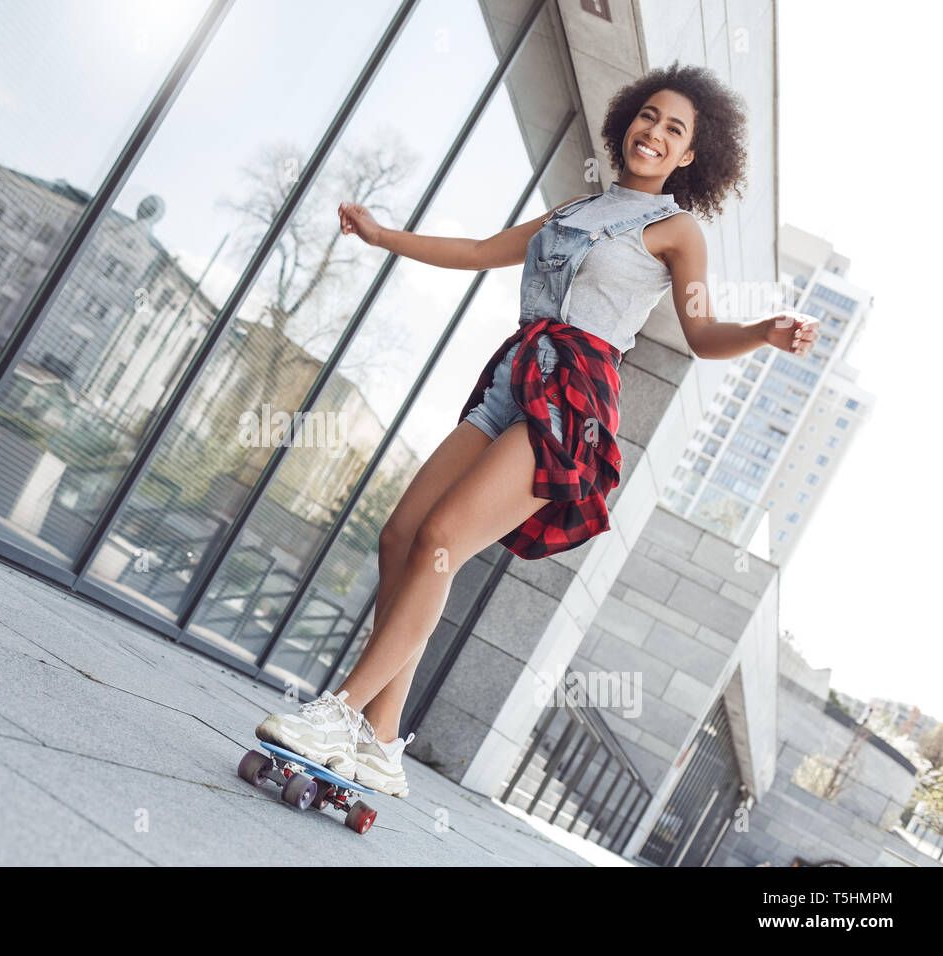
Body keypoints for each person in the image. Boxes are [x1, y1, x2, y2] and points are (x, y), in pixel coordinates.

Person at [255, 62, 818, 798]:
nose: (655, 132)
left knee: (441, 544)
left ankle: (341, 711)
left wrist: (765, 331)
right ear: (627, 124)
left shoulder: (678, 231)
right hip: (512, 380)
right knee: (401, 537)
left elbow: (703, 330)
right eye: (648, 116)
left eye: (675, 129)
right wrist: (382, 234)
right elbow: (479, 251)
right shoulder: (573, 210)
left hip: (573, 400)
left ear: (690, 157)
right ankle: (382, 743)